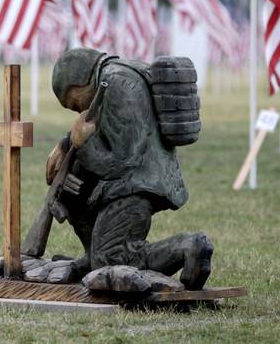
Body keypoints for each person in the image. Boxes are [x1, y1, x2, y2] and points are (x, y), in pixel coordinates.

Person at [46, 47, 213, 290]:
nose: (79, 112)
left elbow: (122, 162)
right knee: (74, 198)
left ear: (80, 84)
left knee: (111, 260)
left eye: (74, 103)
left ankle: (188, 247)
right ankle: (94, 255)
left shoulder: (118, 85)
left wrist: (84, 145)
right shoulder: (109, 81)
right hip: (130, 179)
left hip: (138, 183)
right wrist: (65, 145)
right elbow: (106, 125)